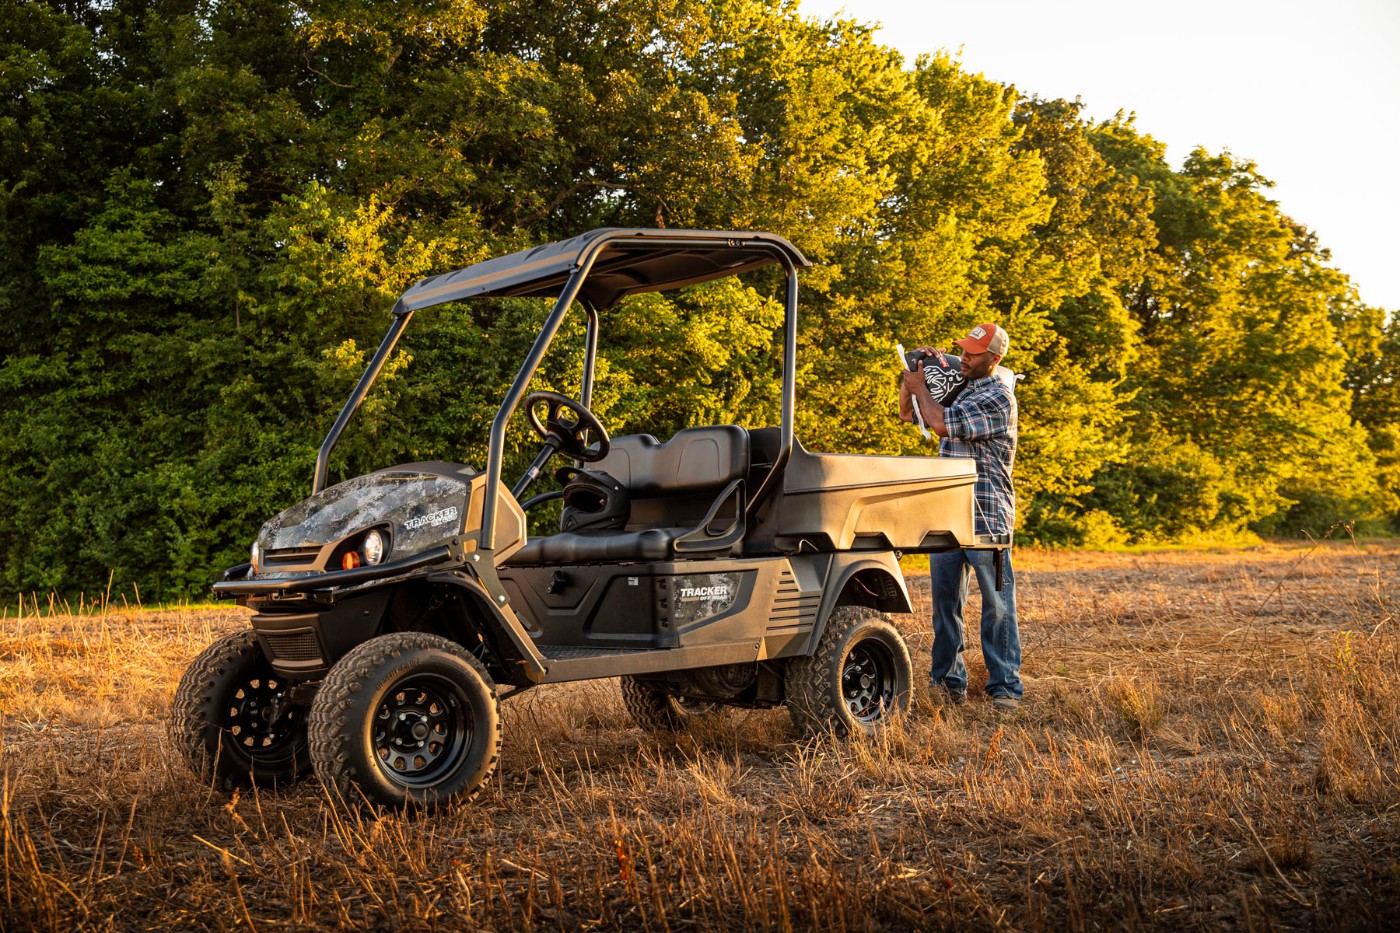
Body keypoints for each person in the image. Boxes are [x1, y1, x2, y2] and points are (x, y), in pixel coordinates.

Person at [899, 323, 1022, 712]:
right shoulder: (958, 387)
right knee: (945, 605)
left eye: (974, 353)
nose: (965, 357)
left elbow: (941, 423)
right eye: (963, 350)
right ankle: (948, 682)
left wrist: (923, 387)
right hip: (947, 517)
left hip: (988, 521)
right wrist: (912, 371)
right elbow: (908, 414)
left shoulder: (999, 398)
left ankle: (1005, 687)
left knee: (998, 604)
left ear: (995, 359)